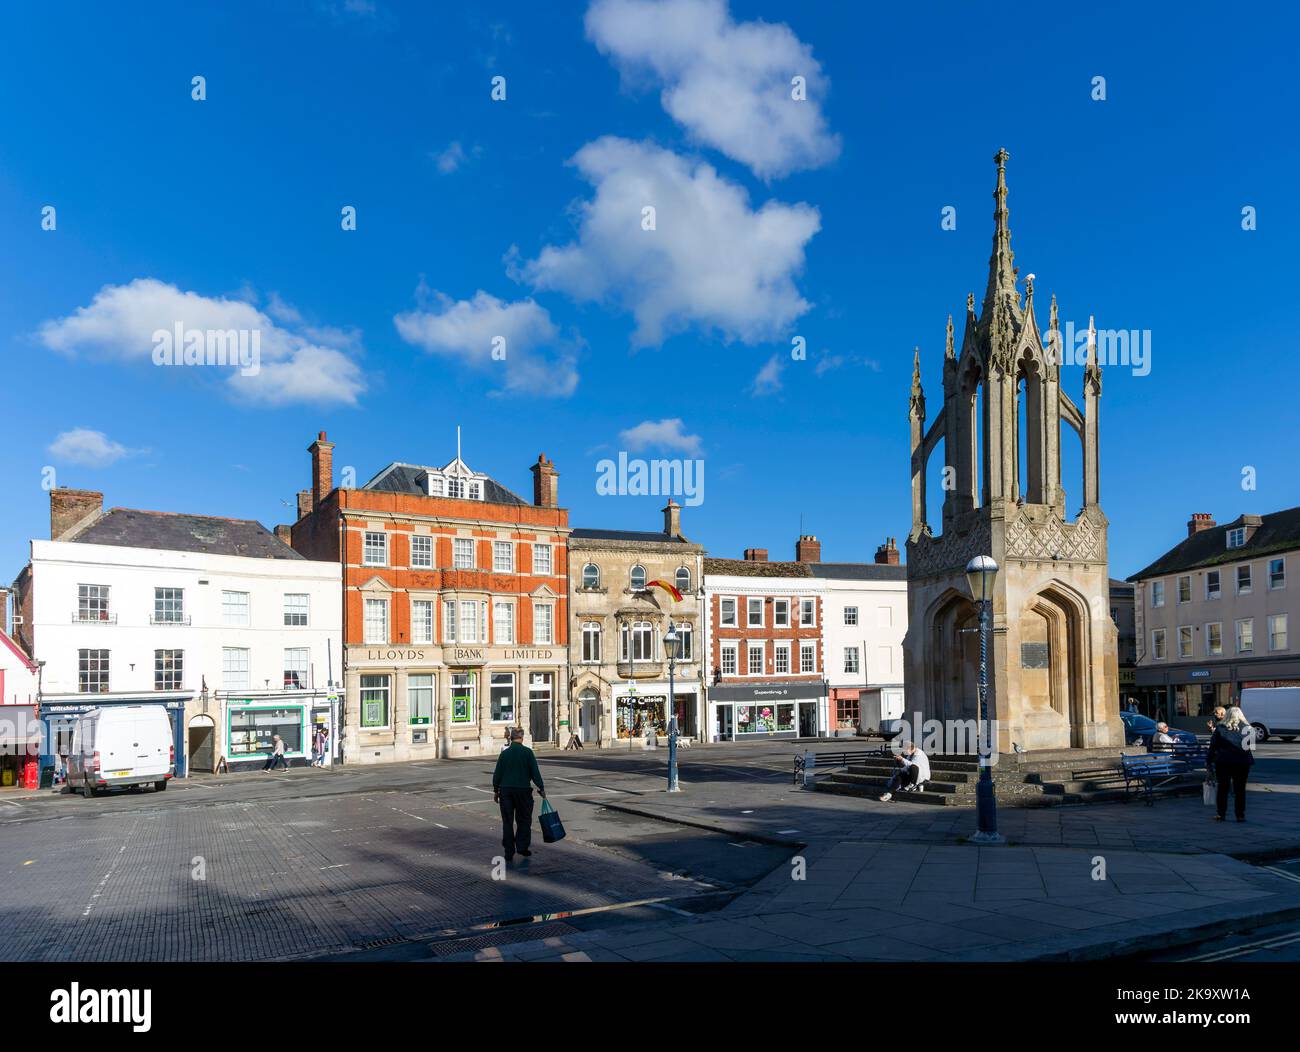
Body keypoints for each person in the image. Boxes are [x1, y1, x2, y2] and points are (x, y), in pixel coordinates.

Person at [492, 727, 545, 860]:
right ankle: (522, 847)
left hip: (506, 791)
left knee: (507, 822)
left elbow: (497, 774)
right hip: (523, 791)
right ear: (522, 738)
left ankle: (509, 851)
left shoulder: (505, 754)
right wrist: (541, 788)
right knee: (524, 820)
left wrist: (495, 790)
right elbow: (535, 773)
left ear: (511, 738)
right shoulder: (527, 753)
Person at [1206, 705, 1254, 822]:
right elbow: (1250, 747)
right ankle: (1240, 815)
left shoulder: (1220, 728)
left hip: (1224, 762)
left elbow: (1213, 747)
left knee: (1223, 788)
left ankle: (1221, 814)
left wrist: (1208, 762)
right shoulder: (1248, 728)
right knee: (1240, 790)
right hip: (1242, 763)